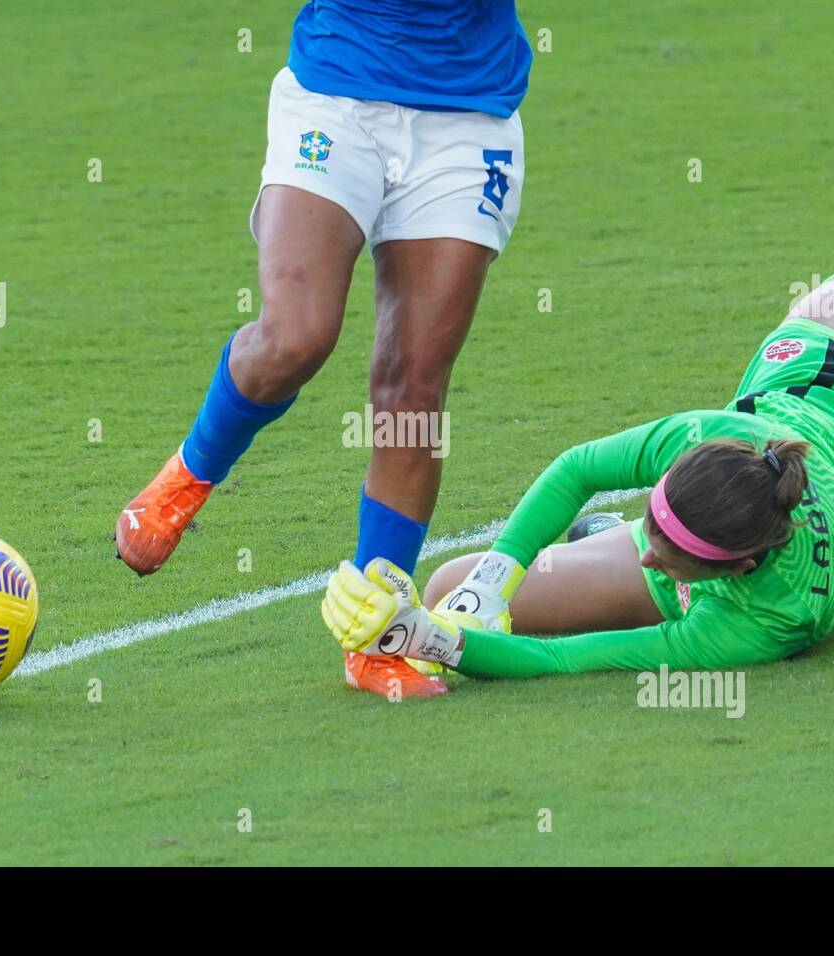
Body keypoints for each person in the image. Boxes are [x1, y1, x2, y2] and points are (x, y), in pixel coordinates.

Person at [321, 267, 834, 682]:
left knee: (444, 586)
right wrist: (498, 578)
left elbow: (559, 662)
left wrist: (426, 635)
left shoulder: (747, 627)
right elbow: (579, 466)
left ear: (735, 567)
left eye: (662, 550)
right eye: (652, 524)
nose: (649, 547)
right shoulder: (723, 437)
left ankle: (598, 544)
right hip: (824, 439)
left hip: (777, 536)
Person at [115, 2, 533, 697]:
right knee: (295, 335)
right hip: (337, 94)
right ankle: (186, 479)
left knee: (413, 386)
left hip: (469, 121)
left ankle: (377, 635)